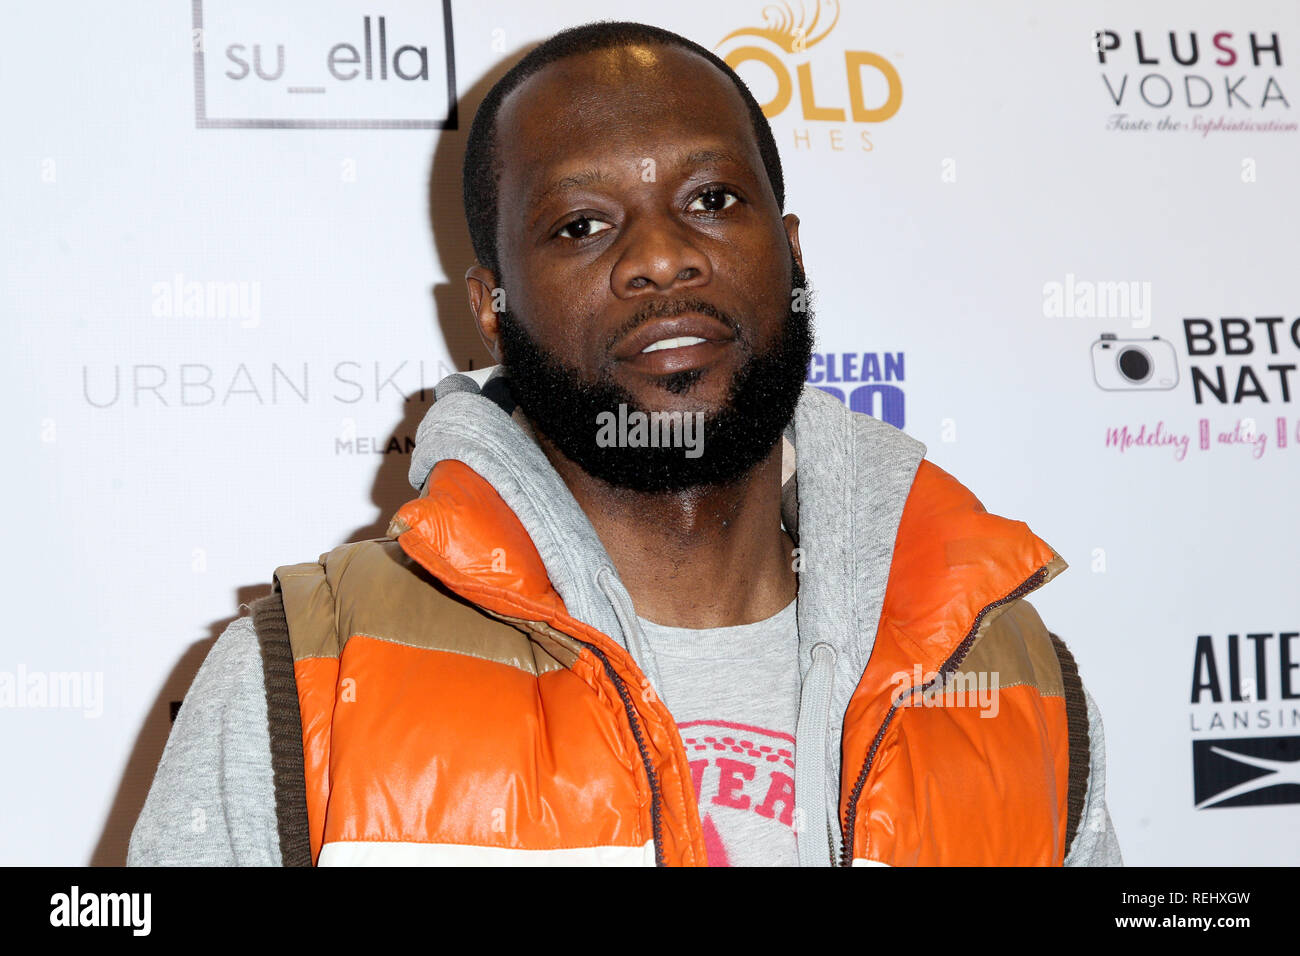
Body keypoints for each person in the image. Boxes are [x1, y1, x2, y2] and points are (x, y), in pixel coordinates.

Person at [128, 20, 1122, 867]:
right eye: (581, 225)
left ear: (792, 252)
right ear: (491, 308)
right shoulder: (309, 678)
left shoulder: (1011, 678)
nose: (661, 257)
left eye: (711, 200)